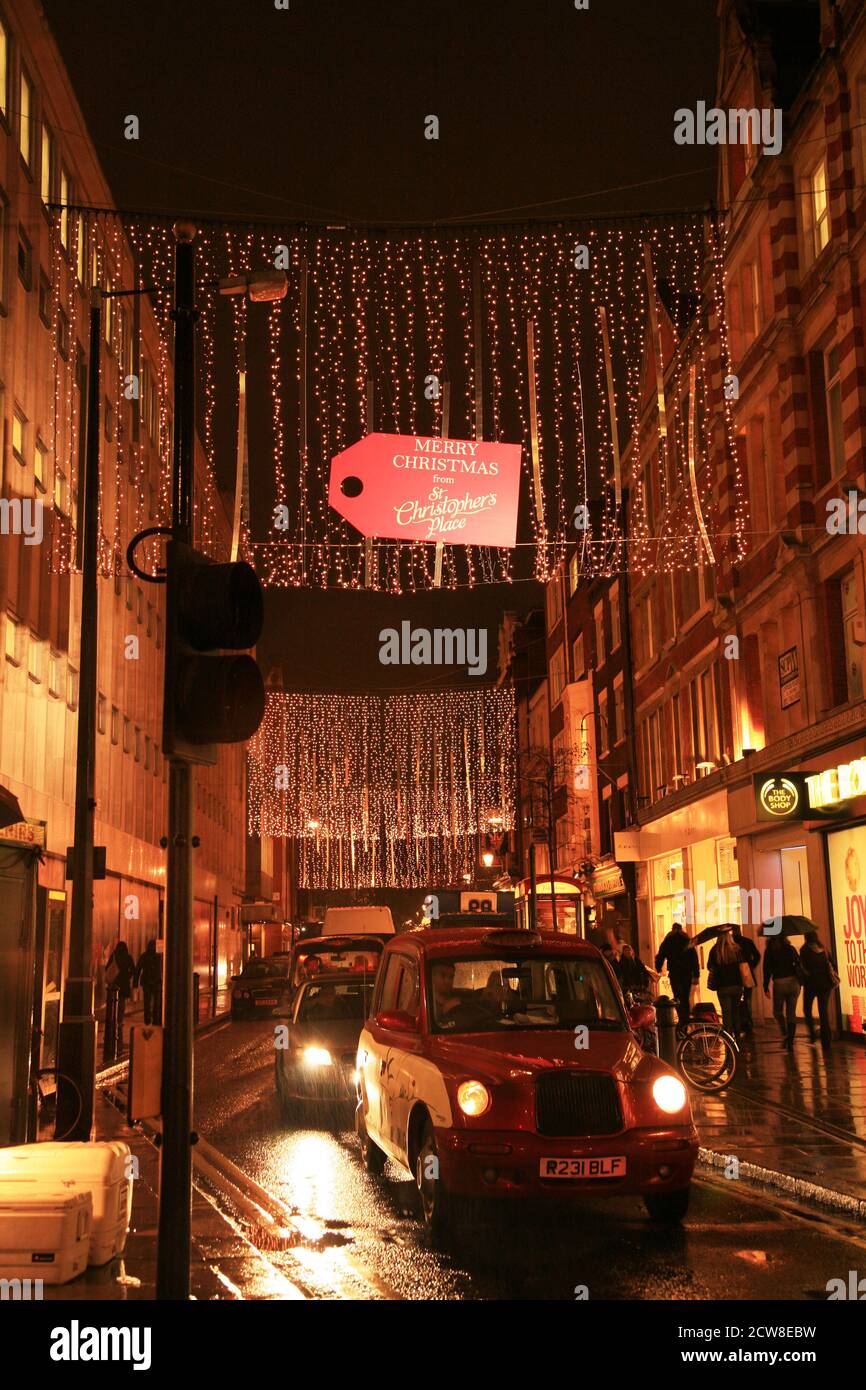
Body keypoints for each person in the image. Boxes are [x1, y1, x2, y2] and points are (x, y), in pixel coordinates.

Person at [762, 932, 803, 1050]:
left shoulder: (770, 951)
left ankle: (785, 1034)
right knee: (791, 1013)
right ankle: (790, 1041)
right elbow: (799, 963)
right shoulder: (790, 949)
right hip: (793, 983)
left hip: (779, 983)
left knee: (777, 1012)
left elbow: (767, 970)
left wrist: (765, 986)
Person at [655, 921, 699, 1026]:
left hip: (674, 972)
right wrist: (696, 974)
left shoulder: (668, 940)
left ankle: (679, 1017)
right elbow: (694, 958)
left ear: (672, 929)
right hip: (686, 972)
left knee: (677, 996)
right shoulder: (687, 940)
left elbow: (661, 955)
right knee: (685, 997)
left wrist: (658, 967)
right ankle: (686, 1019)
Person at [799, 930, 836, 1050]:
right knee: (823, 1012)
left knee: (807, 1009)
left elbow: (803, 967)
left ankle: (813, 1035)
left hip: (811, 985)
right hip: (825, 985)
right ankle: (826, 1040)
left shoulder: (804, 950)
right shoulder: (823, 948)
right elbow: (833, 965)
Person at [706, 926, 744, 1041]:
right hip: (737, 985)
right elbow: (743, 965)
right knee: (736, 1011)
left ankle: (728, 1037)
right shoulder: (737, 949)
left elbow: (709, 966)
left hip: (722, 987)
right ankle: (737, 1035)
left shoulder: (715, 950)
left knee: (726, 1013)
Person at [732, 926, 760, 1035]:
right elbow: (757, 955)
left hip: (735, 974)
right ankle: (748, 1023)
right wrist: (751, 965)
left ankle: (738, 1023)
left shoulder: (731, 944)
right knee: (747, 999)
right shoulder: (748, 942)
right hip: (747, 972)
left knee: (736, 1000)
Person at [106, 940, 135, 1037]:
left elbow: (107, 968)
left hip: (115, 982)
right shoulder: (128, 957)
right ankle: (120, 1020)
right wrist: (128, 976)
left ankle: (113, 1019)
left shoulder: (114, 956)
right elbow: (133, 969)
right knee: (121, 1002)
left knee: (113, 1001)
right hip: (124, 983)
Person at [134, 939, 163, 1026]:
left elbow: (138, 969)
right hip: (156, 982)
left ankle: (147, 1019)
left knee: (147, 1001)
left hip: (146, 982)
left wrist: (136, 983)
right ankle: (155, 1019)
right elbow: (161, 969)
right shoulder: (158, 957)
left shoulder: (144, 956)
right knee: (156, 1002)